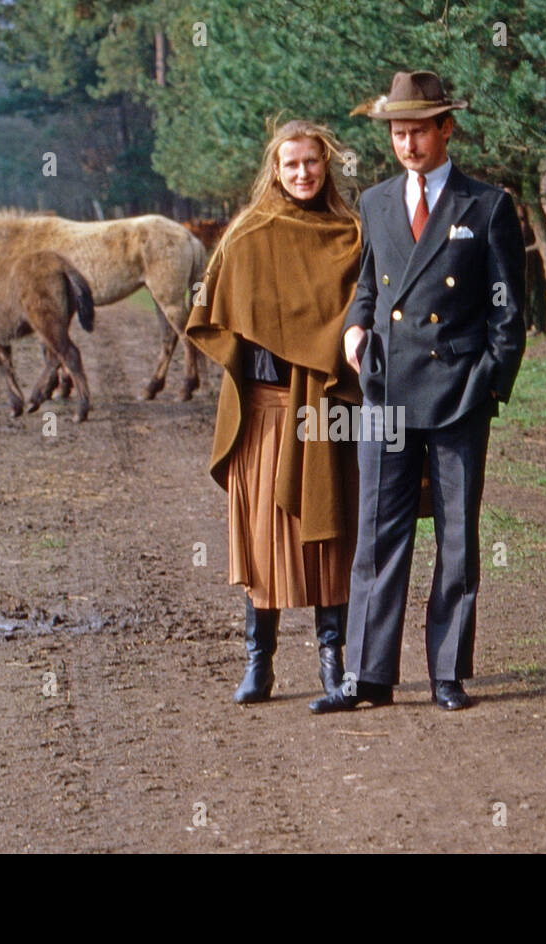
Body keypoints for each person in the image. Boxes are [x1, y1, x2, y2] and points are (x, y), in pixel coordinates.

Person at [309, 71, 526, 713]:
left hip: (458, 394)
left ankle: (448, 673)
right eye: (398, 132)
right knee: (377, 533)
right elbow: (370, 290)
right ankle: (368, 676)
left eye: (418, 131)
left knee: (457, 534)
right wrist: (354, 329)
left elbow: (509, 310)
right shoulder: (375, 203)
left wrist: (489, 382)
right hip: (386, 390)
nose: (407, 144)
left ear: (446, 129)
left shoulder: (484, 205)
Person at [186, 119, 363, 705]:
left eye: (311, 162)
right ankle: (259, 664)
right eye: (291, 165)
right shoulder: (247, 234)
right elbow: (213, 309)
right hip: (263, 411)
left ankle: (333, 665)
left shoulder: (349, 235)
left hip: (322, 409)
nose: (302, 174)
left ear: (326, 165)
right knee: (262, 540)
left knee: (328, 535)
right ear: (275, 169)